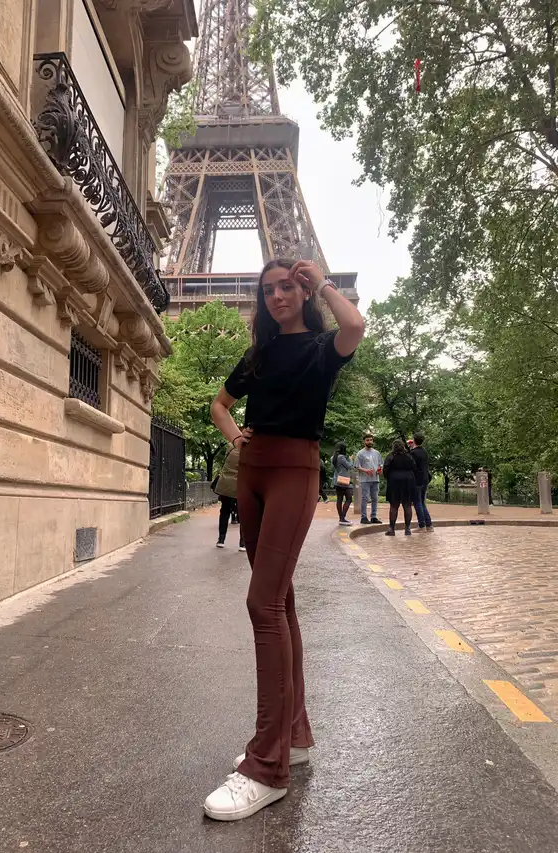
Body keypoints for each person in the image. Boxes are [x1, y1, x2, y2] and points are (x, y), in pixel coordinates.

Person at [207, 258, 365, 821]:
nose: (278, 296)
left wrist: (321, 280)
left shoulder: (322, 349)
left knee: (263, 603)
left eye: (289, 287)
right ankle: (292, 738)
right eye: (269, 289)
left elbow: (355, 325)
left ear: (304, 293)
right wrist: (236, 437)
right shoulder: (258, 353)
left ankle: (266, 767)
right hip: (253, 472)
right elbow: (219, 405)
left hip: (295, 471)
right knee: (282, 601)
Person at [214, 445, 246, 551]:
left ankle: (221, 540)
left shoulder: (230, 447)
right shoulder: (248, 449)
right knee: (244, 514)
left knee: (224, 511)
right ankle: (243, 543)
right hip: (241, 484)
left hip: (226, 483)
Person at [383, 439, 417, 536]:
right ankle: (407, 529)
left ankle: (391, 529)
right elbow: (414, 468)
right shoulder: (409, 456)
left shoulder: (390, 456)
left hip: (394, 480)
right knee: (407, 505)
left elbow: (385, 470)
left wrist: (390, 477)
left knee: (394, 505)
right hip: (408, 480)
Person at [354, 434, 383, 524]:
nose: (369, 442)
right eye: (367, 440)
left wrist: (380, 470)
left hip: (375, 479)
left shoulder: (377, 453)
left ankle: (373, 517)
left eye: (371, 440)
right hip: (364, 480)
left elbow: (380, 464)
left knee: (375, 498)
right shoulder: (360, 453)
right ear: (364, 441)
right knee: (365, 498)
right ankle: (363, 517)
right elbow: (356, 466)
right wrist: (366, 470)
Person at [410, 432, 433, 531]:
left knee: (417, 502)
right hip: (425, 479)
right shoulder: (424, 452)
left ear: (414, 440)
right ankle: (429, 525)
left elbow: (411, 465)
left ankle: (422, 525)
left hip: (417, 480)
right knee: (422, 502)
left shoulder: (413, 453)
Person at [332, 441, 355, 525]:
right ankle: (342, 518)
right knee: (349, 499)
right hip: (343, 480)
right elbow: (350, 466)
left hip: (336, 480)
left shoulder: (333, 457)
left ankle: (341, 518)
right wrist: (351, 459)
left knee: (339, 499)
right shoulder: (341, 457)